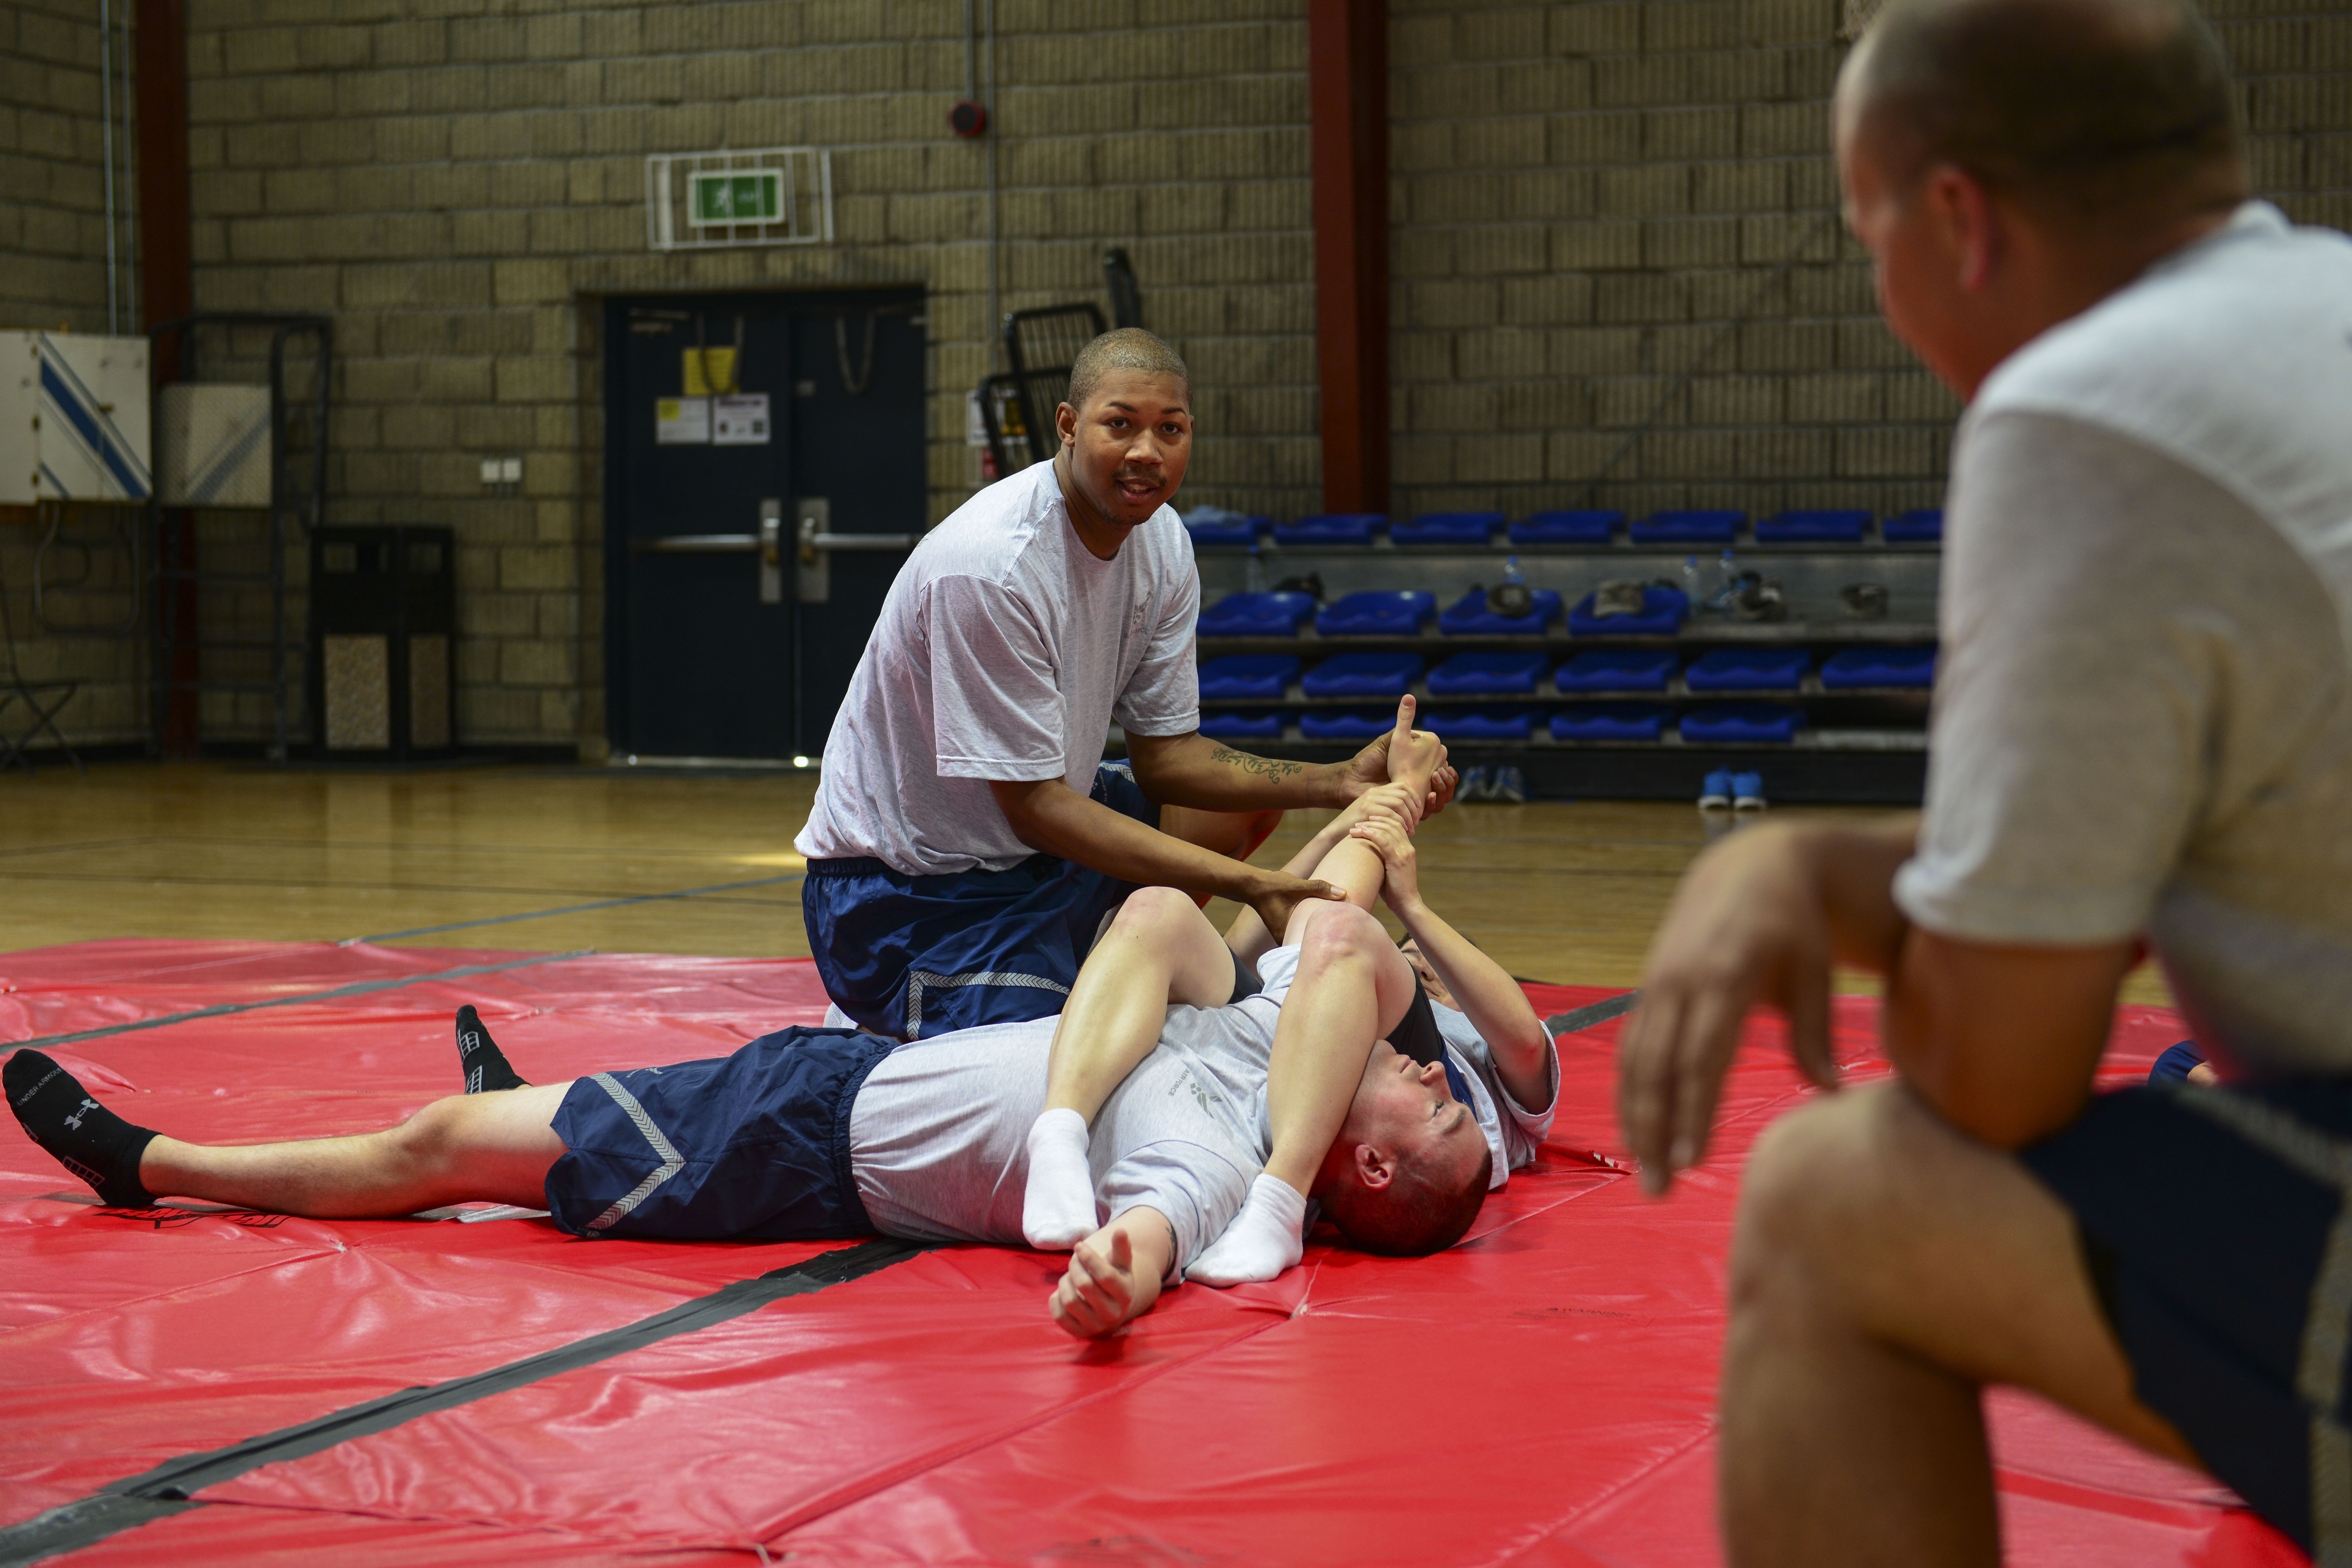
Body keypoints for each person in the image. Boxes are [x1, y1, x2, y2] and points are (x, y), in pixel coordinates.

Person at [1614, 0, 2352, 1559]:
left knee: (1829, 1197)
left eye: (1865, 234)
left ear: (1953, 219)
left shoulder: (2091, 406)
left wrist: (1812, 879)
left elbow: (1999, 1070)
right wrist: (1816, 871)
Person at [4, 901, 1487, 1345]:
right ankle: (513, 1114)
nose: (1432, 1077)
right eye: (1438, 1081)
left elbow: (1153, 1222)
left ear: (1362, 1166)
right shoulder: (1269, 1026)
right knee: (495, 1144)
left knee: (438, 1149)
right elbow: (1338, 930)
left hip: (793, 1140)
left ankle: (154, 1164)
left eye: (1430, 1112)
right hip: (835, 1070)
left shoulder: (1230, 1166)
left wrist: (1118, 1277)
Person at [794, 327, 1451, 1041]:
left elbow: (1168, 758)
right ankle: (913, 1006)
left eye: (1168, 429)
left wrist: (1335, 781)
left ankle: (1111, 954)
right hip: (909, 889)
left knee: (1228, 813)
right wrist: (1249, 885)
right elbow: (1035, 807)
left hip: (1030, 839)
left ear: (1190, 435)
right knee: (1042, 1061)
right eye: (1120, 424)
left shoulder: (1163, 541)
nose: (1146, 450)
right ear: (1068, 427)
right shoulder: (990, 566)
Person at [1025, 711, 1559, 1283]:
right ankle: (1059, 1131)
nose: (1427, 1072)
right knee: (1160, 913)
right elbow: (1251, 943)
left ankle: (1279, 1199)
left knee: (1339, 930)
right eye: (1411, 959)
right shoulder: (1332, 980)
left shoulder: (1467, 1072)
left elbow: (1524, 1040)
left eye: (1426, 973)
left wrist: (1411, 891)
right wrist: (1343, 825)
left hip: (1314, 1081)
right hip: (1280, 1051)